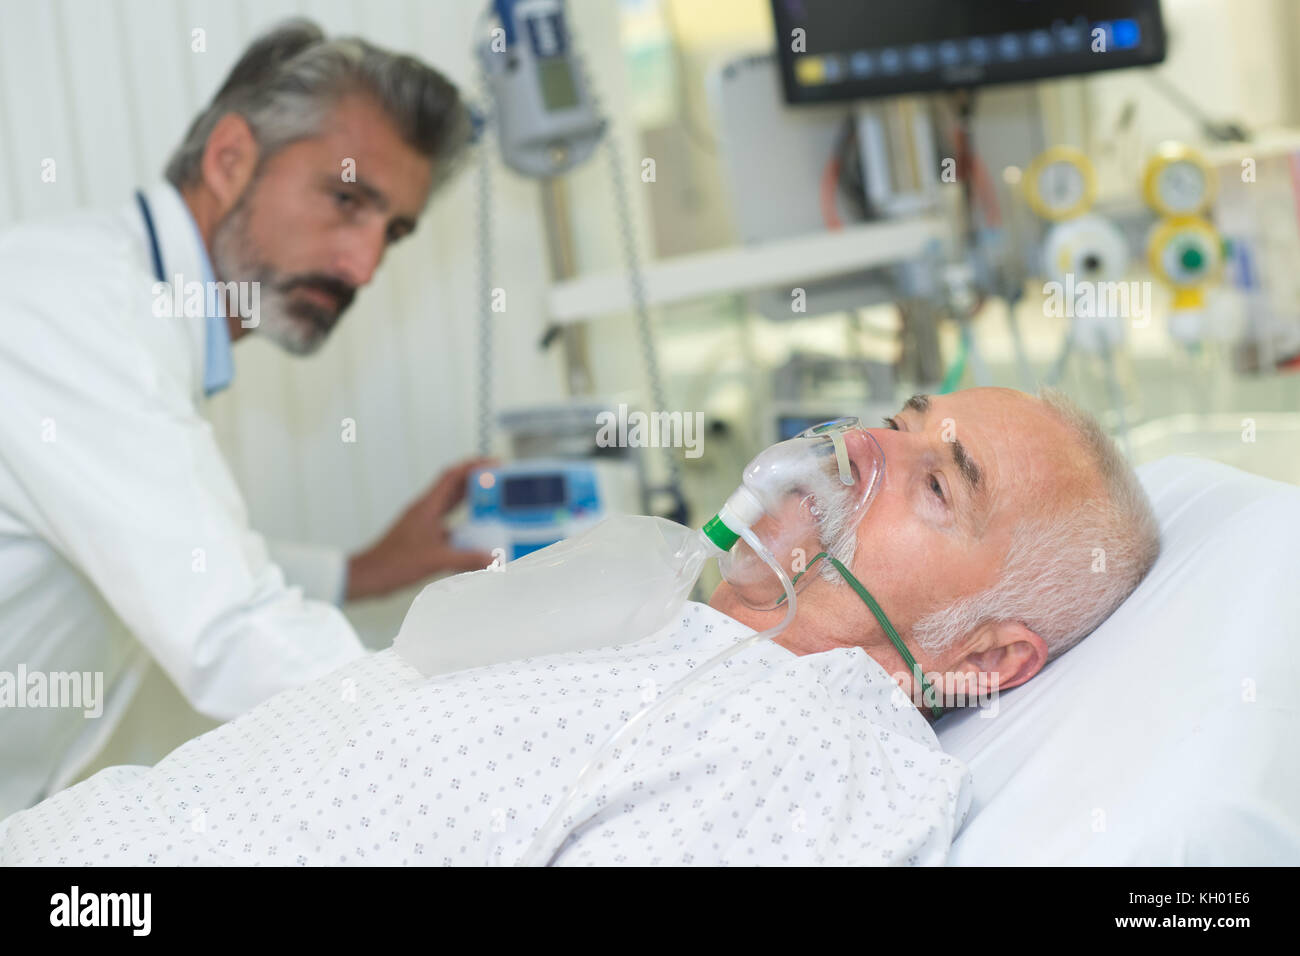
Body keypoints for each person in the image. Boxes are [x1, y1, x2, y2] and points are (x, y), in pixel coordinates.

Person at [0, 387, 1163, 865]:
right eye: (900, 421)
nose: (861, 444)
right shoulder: (674, 620)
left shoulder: (815, 743)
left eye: (936, 485)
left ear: (980, 656)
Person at [0, 20, 495, 818]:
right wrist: (505, 738)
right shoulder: (79, 302)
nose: (362, 266)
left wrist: (362, 569)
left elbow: (166, 542)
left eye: (391, 232)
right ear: (229, 161)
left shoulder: (136, 314)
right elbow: (228, 630)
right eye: (345, 200)